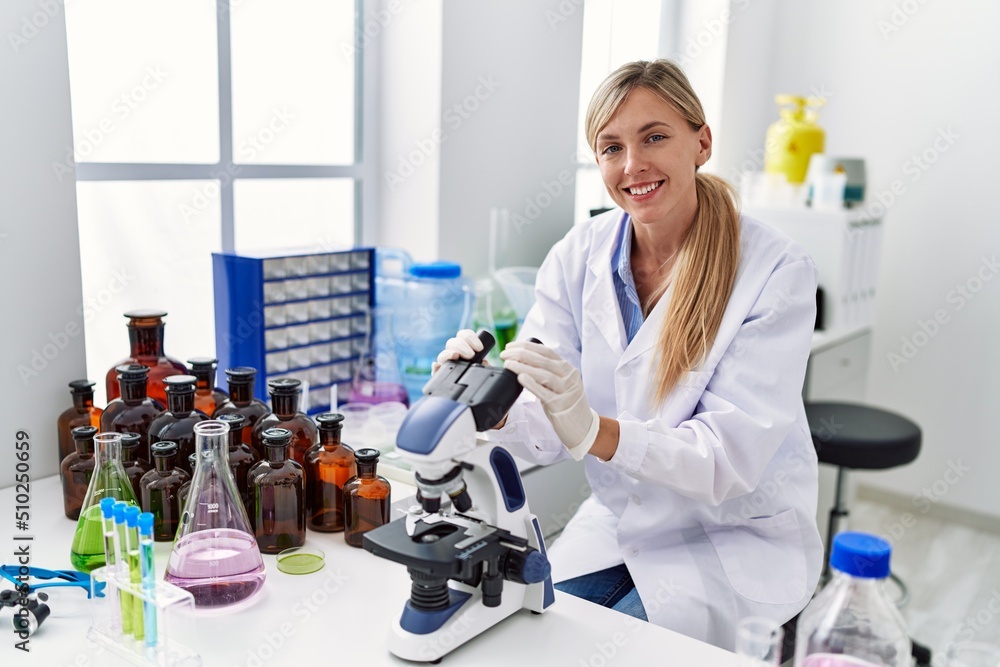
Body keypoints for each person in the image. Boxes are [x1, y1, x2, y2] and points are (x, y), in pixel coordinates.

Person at [436, 59, 823, 651]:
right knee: (529, 639)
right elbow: (543, 428)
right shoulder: (577, 256)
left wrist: (592, 430)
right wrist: (482, 399)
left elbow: (726, 460)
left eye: (655, 137)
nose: (632, 165)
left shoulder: (774, 270)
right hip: (619, 523)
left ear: (702, 141)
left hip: (733, 539)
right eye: (611, 147)